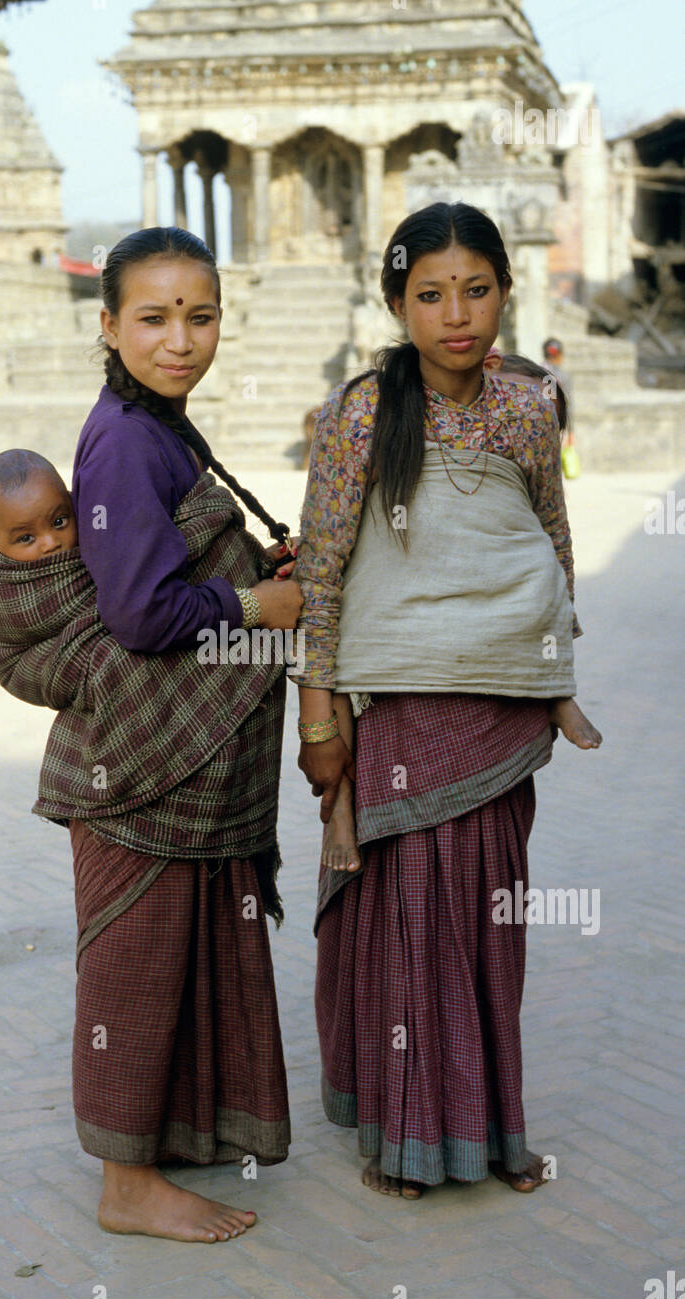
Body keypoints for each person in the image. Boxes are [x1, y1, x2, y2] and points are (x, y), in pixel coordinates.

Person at [0, 228, 302, 1244]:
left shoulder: (159, 422)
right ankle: (126, 1186)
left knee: (182, 956)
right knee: (137, 966)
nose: (180, 339)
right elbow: (140, 616)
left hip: (171, 771)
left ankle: (168, 1139)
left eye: (199, 316)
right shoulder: (124, 438)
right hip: (141, 775)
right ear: (110, 325)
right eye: (154, 318)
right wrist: (259, 605)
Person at [293, 201, 603, 1200]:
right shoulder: (357, 415)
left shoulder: (528, 405)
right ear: (396, 302)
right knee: (410, 928)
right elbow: (327, 575)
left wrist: (554, 675)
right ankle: (410, 1136)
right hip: (403, 717)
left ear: (507, 294)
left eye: (476, 290)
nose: (455, 314)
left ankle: (491, 1131)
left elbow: (547, 545)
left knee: (487, 929)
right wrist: (320, 716)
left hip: (501, 710)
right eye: (430, 294)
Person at [320, 347, 596, 874]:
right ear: (490, 368)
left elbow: (549, 536)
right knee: (342, 663)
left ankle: (557, 691)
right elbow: (332, 542)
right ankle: (340, 811)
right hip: (391, 616)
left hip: (502, 605)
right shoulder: (379, 411)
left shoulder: (523, 428)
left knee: (541, 580)